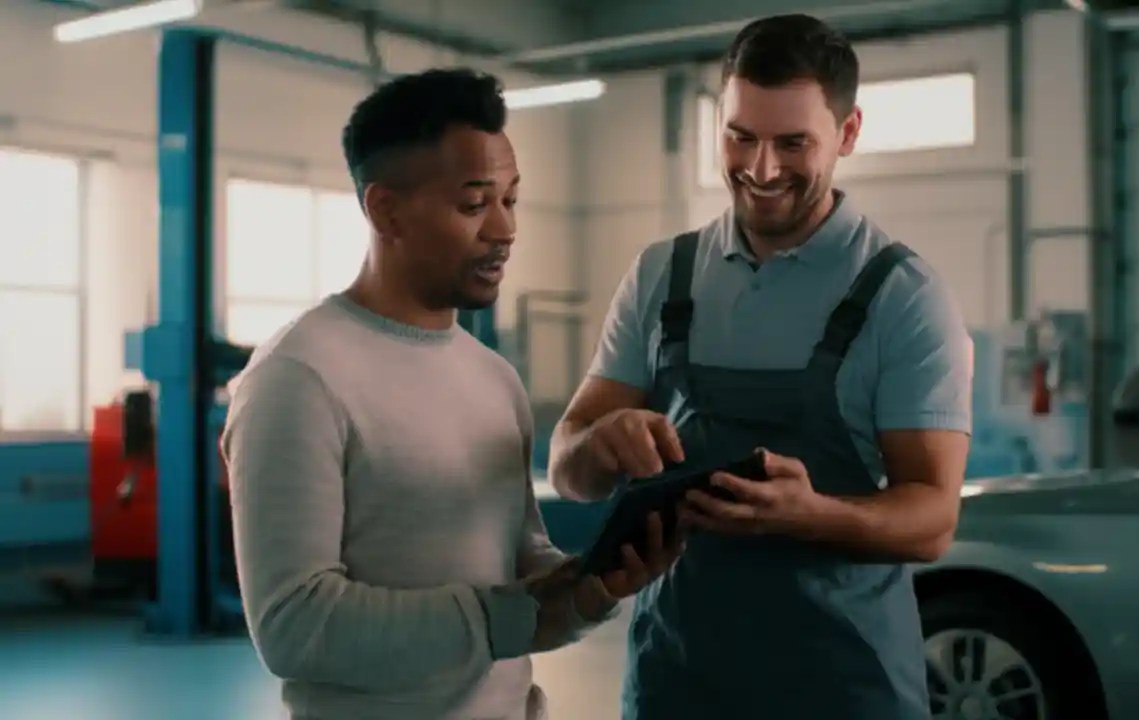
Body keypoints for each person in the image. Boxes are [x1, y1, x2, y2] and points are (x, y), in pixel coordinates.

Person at [221, 68, 682, 720]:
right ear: (386, 209)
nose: (504, 229)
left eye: (511, 200)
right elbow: (296, 627)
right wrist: (511, 613)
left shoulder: (493, 378)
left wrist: (594, 585)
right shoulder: (298, 377)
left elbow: (520, 573)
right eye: (474, 204)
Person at [548, 14, 973, 720]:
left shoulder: (903, 297)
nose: (762, 168)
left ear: (848, 133)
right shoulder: (663, 275)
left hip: (845, 688)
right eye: (740, 137)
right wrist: (599, 443)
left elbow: (931, 518)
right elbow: (568, 468)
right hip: (676, 682)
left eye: (792, 143)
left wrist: (812, 515)